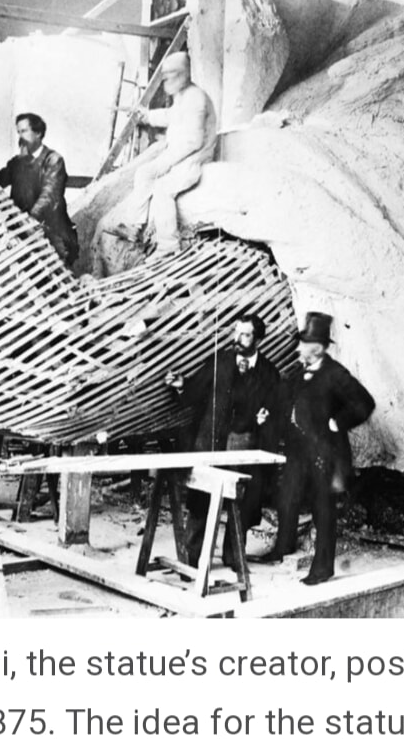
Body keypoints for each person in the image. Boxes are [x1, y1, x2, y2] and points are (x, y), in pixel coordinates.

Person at [264, 312, 375, 586]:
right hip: (298, 450)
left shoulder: (335, 374)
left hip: (325, 452)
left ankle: (323, 568)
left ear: (316, 348)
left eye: (302, 344)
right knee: (287, 497)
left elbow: (365, 403)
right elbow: (284, 398)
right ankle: (283, 548)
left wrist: (338, 422)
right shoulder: (300, 374)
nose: (297, 348)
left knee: (322, 509)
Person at [165, 313, 282, 571]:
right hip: (211, 440)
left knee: (241, 501)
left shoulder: (269, 373)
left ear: (258, 340)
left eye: (245, 334)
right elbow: (195, 390)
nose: (237, 339)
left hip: (245, 443)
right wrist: (182, 385)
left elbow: (276, 408)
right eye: (236, 332)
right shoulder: (221, 361)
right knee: (201, 499)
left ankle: (233, 555)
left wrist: (266, 417)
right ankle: (192, 559)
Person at [132, 51, 217, 256]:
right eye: (166, 76)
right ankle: (135, 227)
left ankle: (168, 245)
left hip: (195, 158)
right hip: (179, 156)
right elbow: (171, 116)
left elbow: (193, 142)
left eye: (171, 75)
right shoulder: (182, 96)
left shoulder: (196, 98)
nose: (167, 81)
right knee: (143, 173)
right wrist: (147, 116)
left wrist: (166, 163)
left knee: (162, 189)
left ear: (182, 74)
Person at [0, 112, 79, 269]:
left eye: (24, 131)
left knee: (54, 274)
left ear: (38, 133)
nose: (20, 136)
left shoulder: (53, 160)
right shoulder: (17, 163)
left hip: (51, 233)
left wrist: (29, 219)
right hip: (21, 231)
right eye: (18, 132)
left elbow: (49, 195)